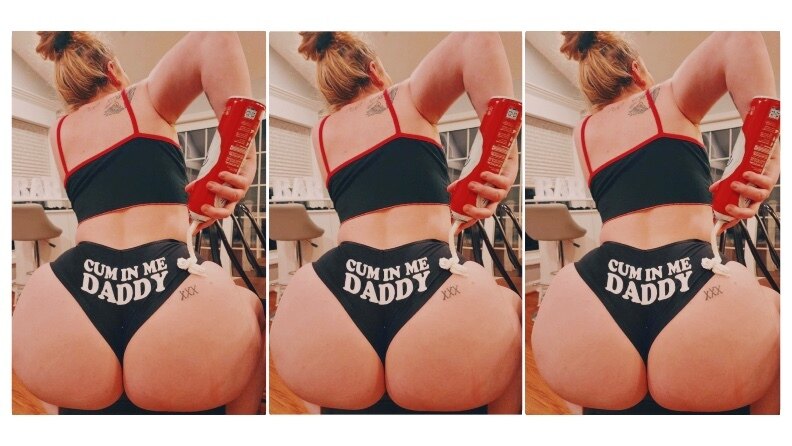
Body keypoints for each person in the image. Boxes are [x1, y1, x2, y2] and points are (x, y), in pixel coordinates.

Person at [12, 32, 265, 414]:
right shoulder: (138, 98)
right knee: (251, 307)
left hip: (75, 291)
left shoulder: (58, 132)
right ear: (113, 70)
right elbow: (216, 37)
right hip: (167, 276)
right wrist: (244, 156)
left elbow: (113, 200)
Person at [270, 32, 522, 414]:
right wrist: (505, 153)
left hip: (340, 286)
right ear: (375, 70)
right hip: (429, 273)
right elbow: (477, 36)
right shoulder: (403, 97)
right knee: (512, 306)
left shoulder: (320, 133)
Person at [532, 32, 779, 414]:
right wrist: (767, 160)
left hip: (598, 289)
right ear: (636, 69)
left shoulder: (582, 131)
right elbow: (740, 36)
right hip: (692, 275)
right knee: (775, 308)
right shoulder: (667, 96)